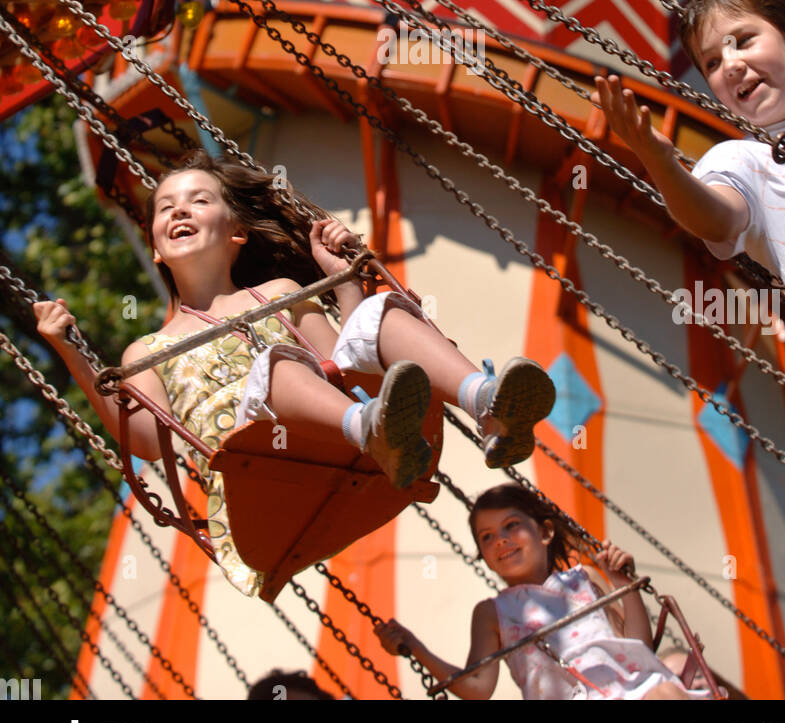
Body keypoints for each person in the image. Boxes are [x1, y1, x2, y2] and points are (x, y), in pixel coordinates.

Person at [34, 153, 555, 597]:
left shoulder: (281, 289)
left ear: (237, 231)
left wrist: (340, 277)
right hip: (256, 474)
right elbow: (147, 441)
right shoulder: (147, 348)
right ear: (154, 247)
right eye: (166, 208)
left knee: (381, 311)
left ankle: (489, 406)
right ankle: (373, 430)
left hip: (331, 427)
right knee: (277, 366)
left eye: (198, 200)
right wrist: (72, 352)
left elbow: (344, 358)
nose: (180, 211)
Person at [592, 0, 785, 351]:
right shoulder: (743, 160)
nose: (731, 65)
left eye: (745, 41)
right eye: (713, 63)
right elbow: (717, 219)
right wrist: (661, 163)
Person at [376, 484, 709, 699]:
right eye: (487, 537)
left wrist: (624, 587)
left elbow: (639, 647)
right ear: (485, 557)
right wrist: (416, 648)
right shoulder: (493, 612)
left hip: (629, 690)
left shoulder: (583, 580)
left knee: (665, 692)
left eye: (512, 525)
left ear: (546, 532)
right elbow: (477, 686)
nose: (501, 540)